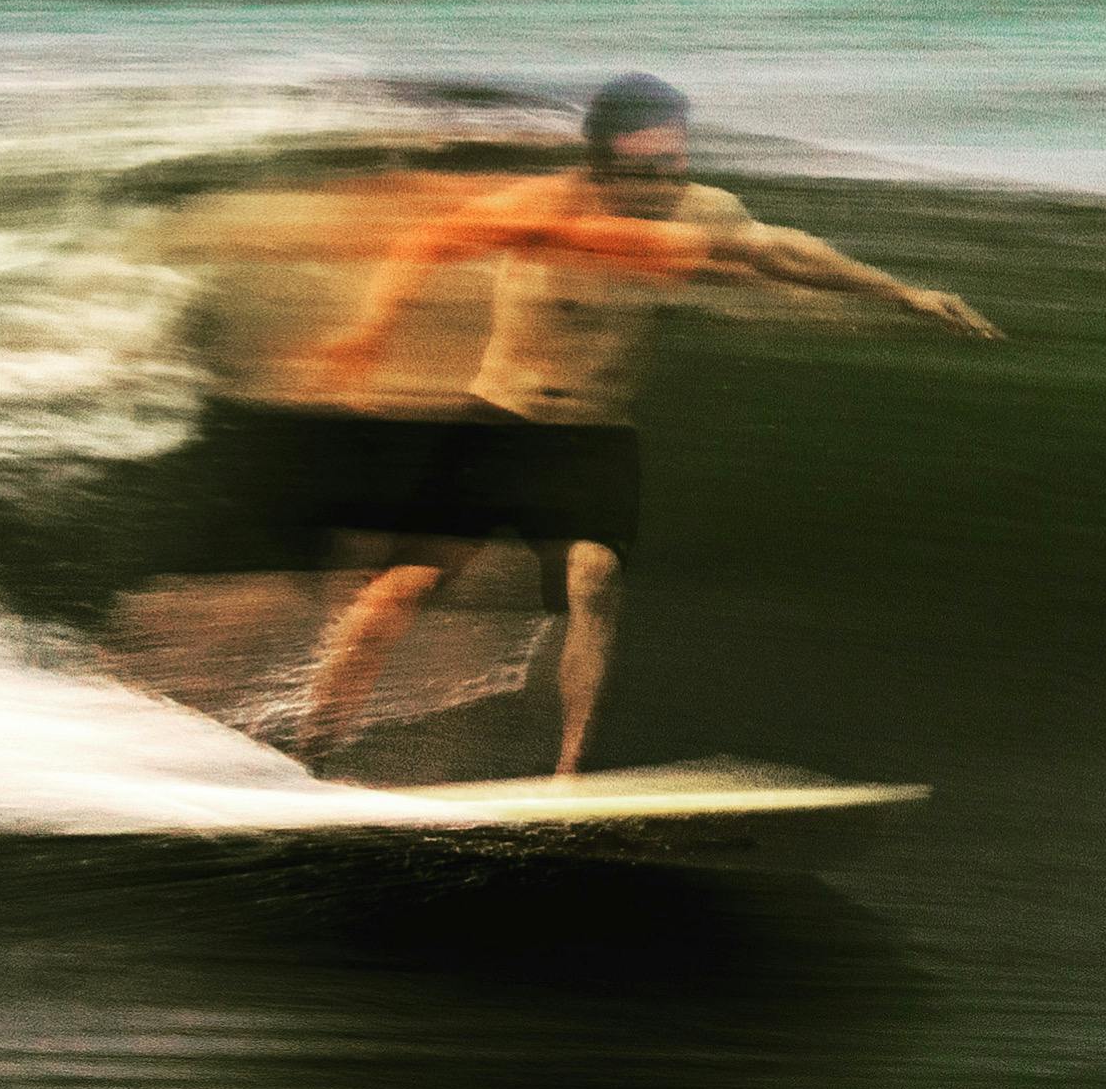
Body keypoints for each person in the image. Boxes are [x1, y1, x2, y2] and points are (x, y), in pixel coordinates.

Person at [285, 73, 998, 773]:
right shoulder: (544, 209)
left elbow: (783, 251)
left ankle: (568, 777)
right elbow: (428, 243)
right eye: (646, 171)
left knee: (595, 578)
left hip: (598, 437)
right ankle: (310, 754)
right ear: (602, 168)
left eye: (674, 164)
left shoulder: (699, 211)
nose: (665, 185)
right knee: (402, 587)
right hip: (501, 424)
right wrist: (368, 332)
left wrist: (905, 293)